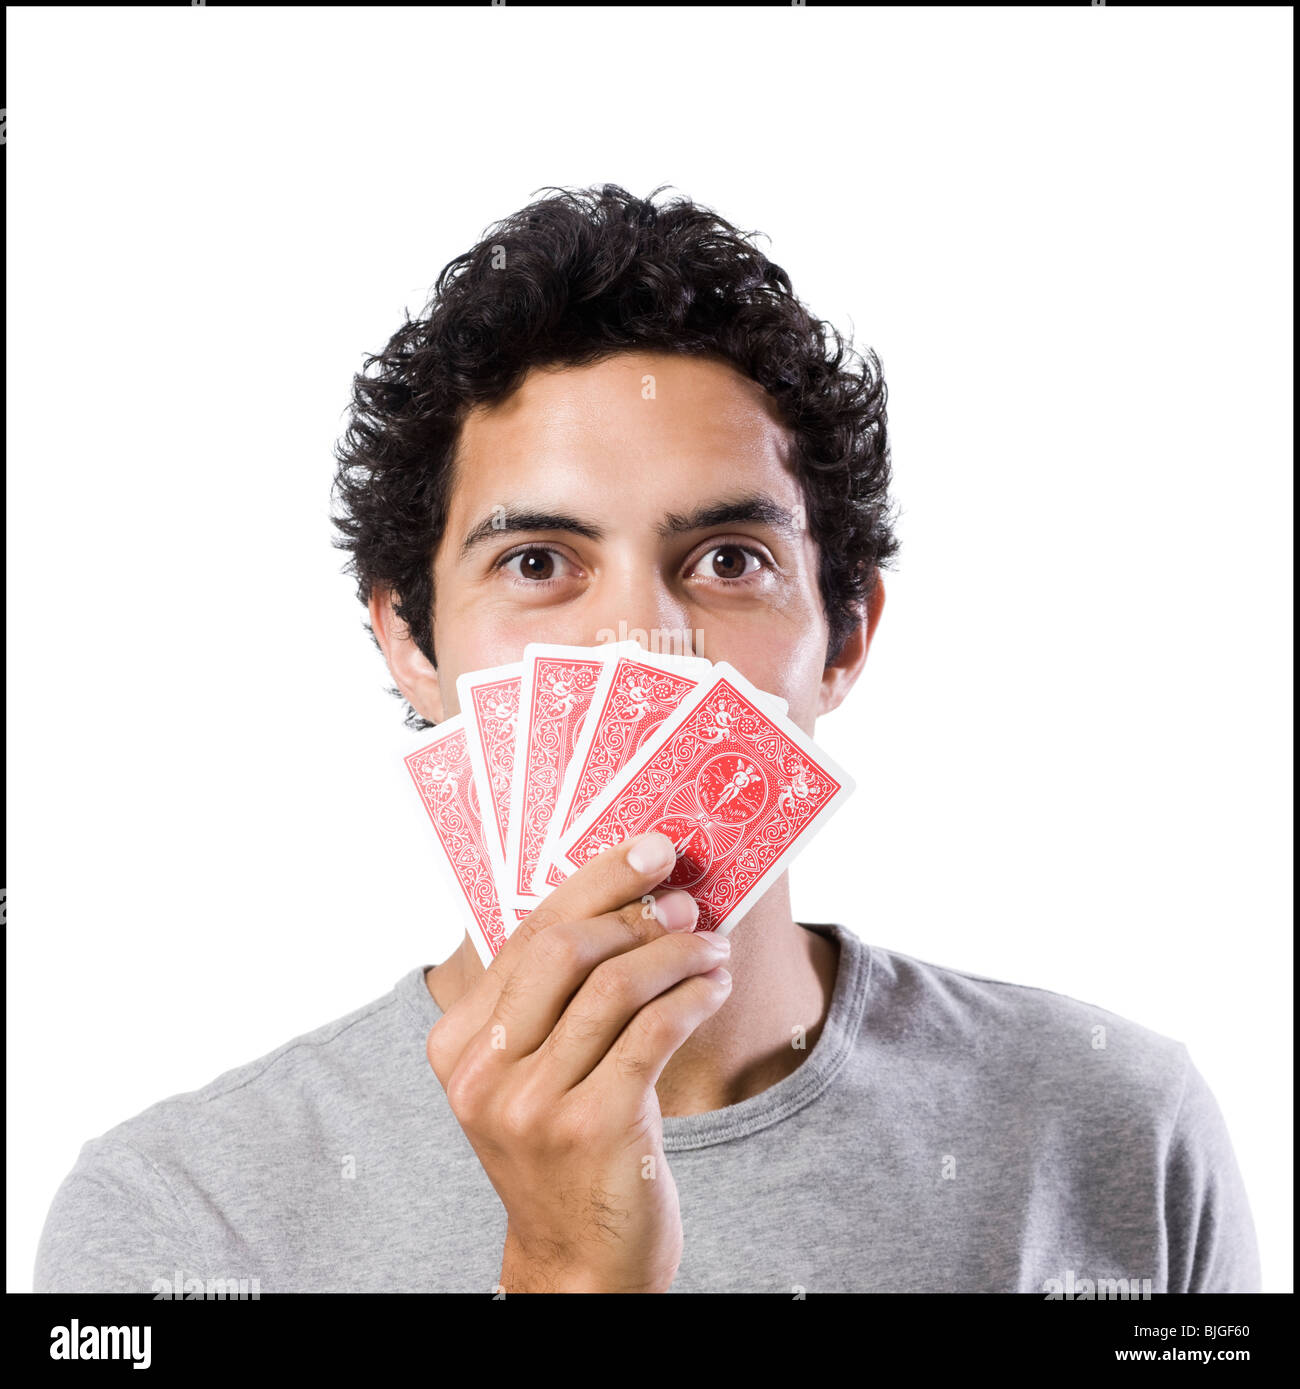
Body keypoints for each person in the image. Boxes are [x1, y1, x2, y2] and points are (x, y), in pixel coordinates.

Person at [34, 184, 1261, 1293]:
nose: (640, 645)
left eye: (728, 560)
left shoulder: (1119, 1129)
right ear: (410, 639)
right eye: (538, 562)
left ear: (843, 637)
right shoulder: (179, 1217)